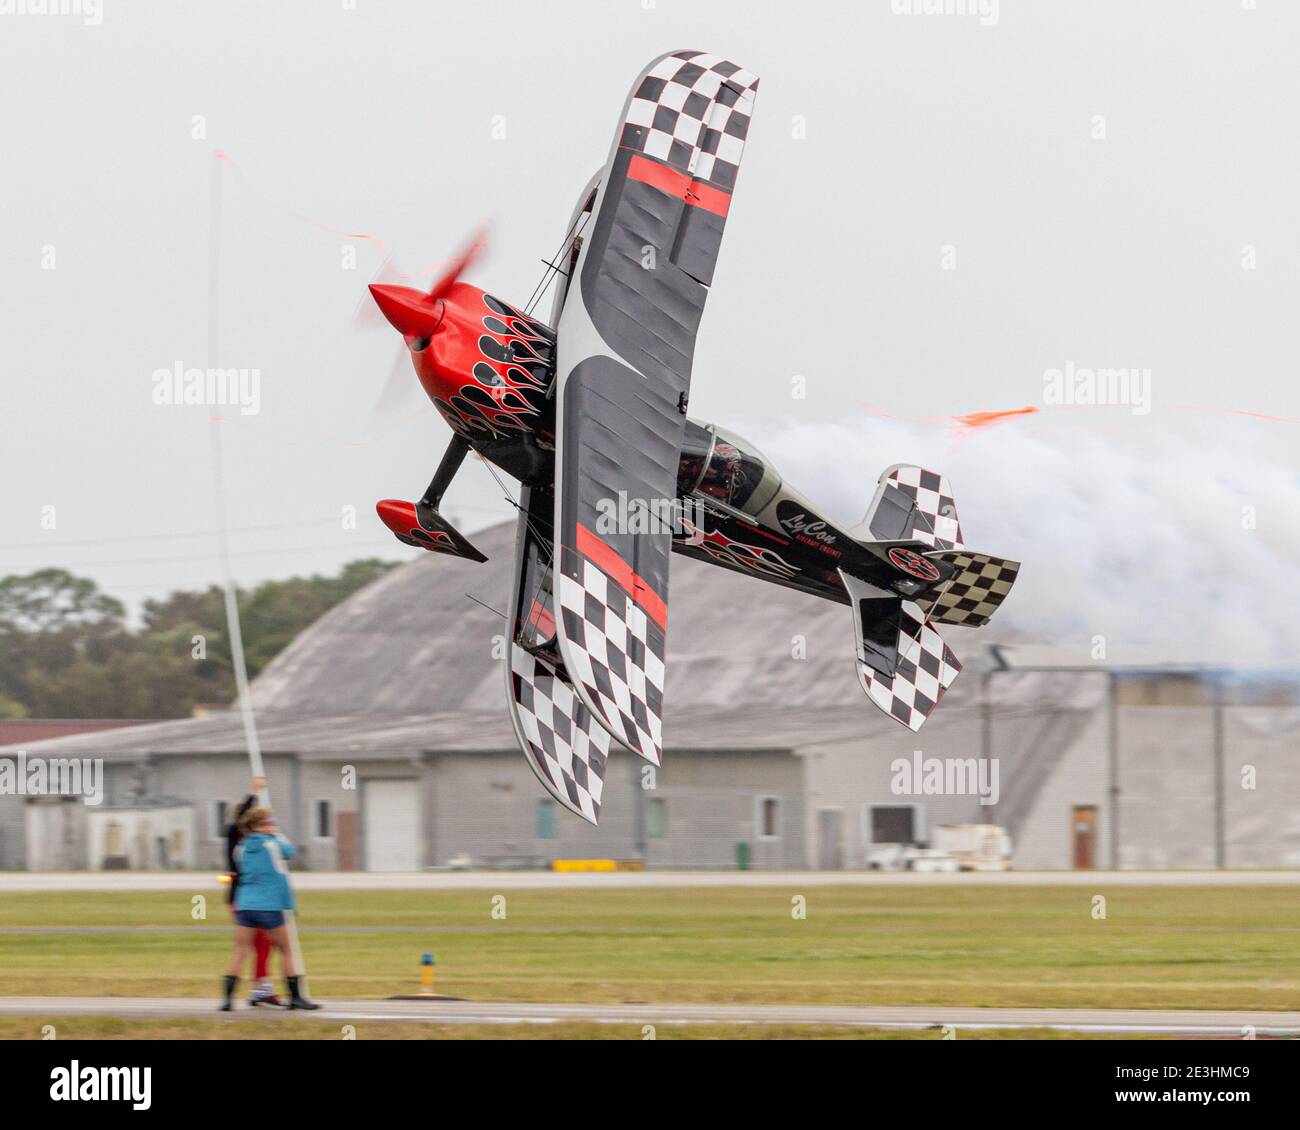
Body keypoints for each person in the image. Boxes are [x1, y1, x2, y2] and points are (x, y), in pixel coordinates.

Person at [221, 807, 320, 1011]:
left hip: (246, 905)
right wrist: (276, 834)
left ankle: (227, 1000)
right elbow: (290, 851)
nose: (271, 826)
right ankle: (295, 997)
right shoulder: (272, 844)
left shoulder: (240, 849)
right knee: (286, 950)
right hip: (269, 906)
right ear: (258, 826)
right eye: (268, 823)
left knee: (239, 951)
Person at [225, 777, 279, 1006]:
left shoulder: (254, 843)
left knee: (263, 943)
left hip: (254, 896)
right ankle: (259, 989)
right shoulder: (235, 838)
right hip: (243, 897)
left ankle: (260, 987)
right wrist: (254, 792)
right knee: (254, 943)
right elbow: (240, 820)